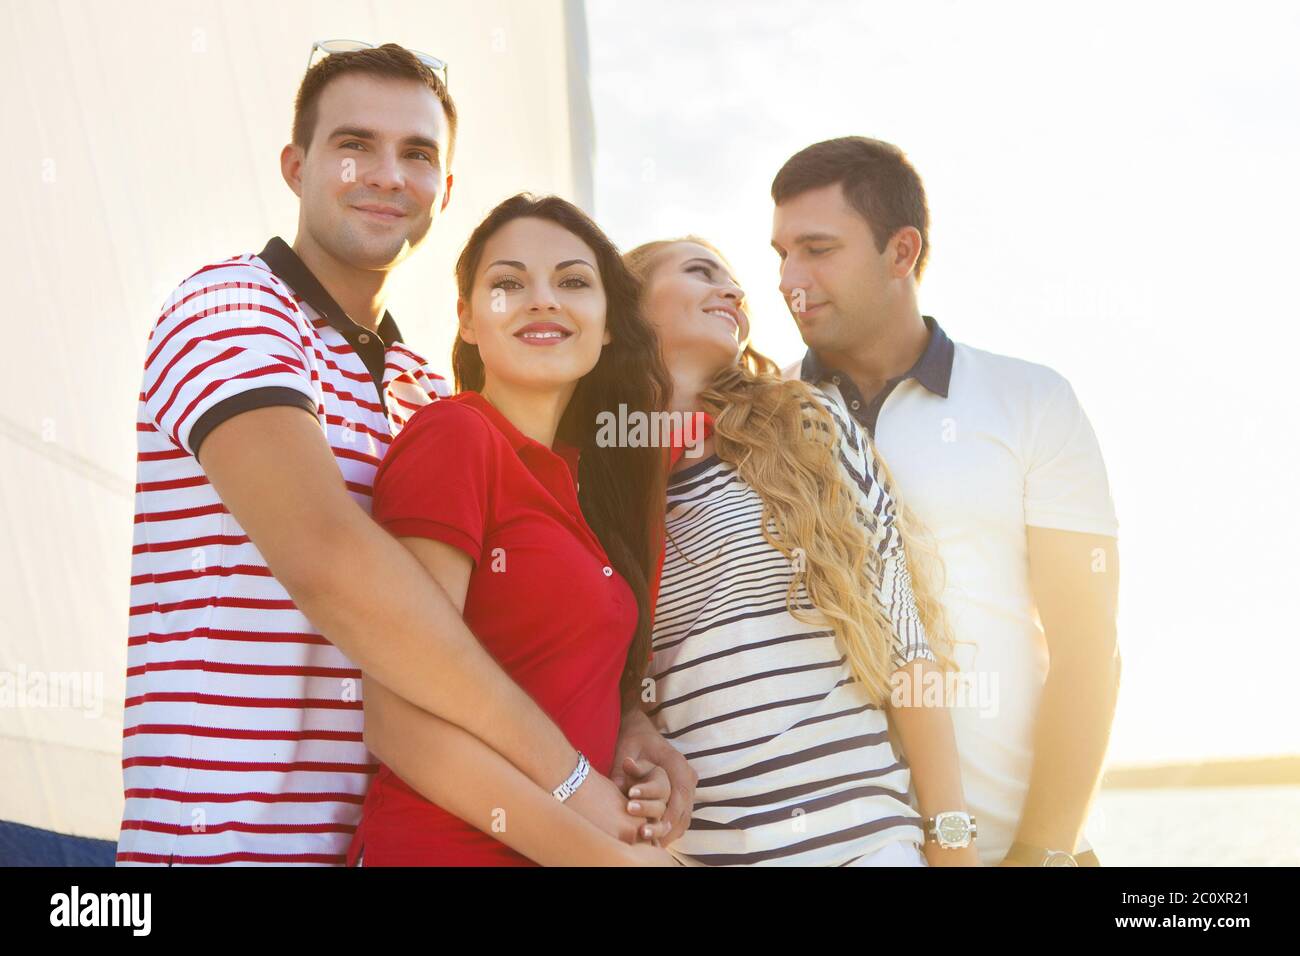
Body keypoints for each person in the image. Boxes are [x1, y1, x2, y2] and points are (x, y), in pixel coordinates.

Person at [120, 42, 687, 866]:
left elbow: (501, 624)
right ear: (295, 165)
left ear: (444, 189)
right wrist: (573, 785)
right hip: (226, 845)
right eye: (354, 145)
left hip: (382, 838)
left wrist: (628, 723)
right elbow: (328, 556)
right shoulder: (231, 308)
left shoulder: (427, 391)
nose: (387, 174)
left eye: (416, 153)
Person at [771, 136, 1120, 867]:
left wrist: (1041, 854)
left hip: (1021, 852)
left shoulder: (1032, 401)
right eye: (781, 254)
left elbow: (1088, 650)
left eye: (817, 249)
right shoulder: (758, 423)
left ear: (901, 253)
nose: (789, 279)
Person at [625, 237, 980, 866]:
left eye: (734, 283)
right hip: (700, 854)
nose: (732, 291)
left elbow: (906, 641)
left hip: (867, 845)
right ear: (628, 303)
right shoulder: (594, 484)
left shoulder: (808, 424)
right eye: (700, 272)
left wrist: (953, 842)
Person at [347, 195, 675, 866]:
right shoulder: (456, 436)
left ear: (609, 323)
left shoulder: (587, 488)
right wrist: (602, 850)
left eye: (574, 281)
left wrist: (639, 747)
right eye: (508, 283)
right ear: (466, 320)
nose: (542, 300)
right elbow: (396, 718)